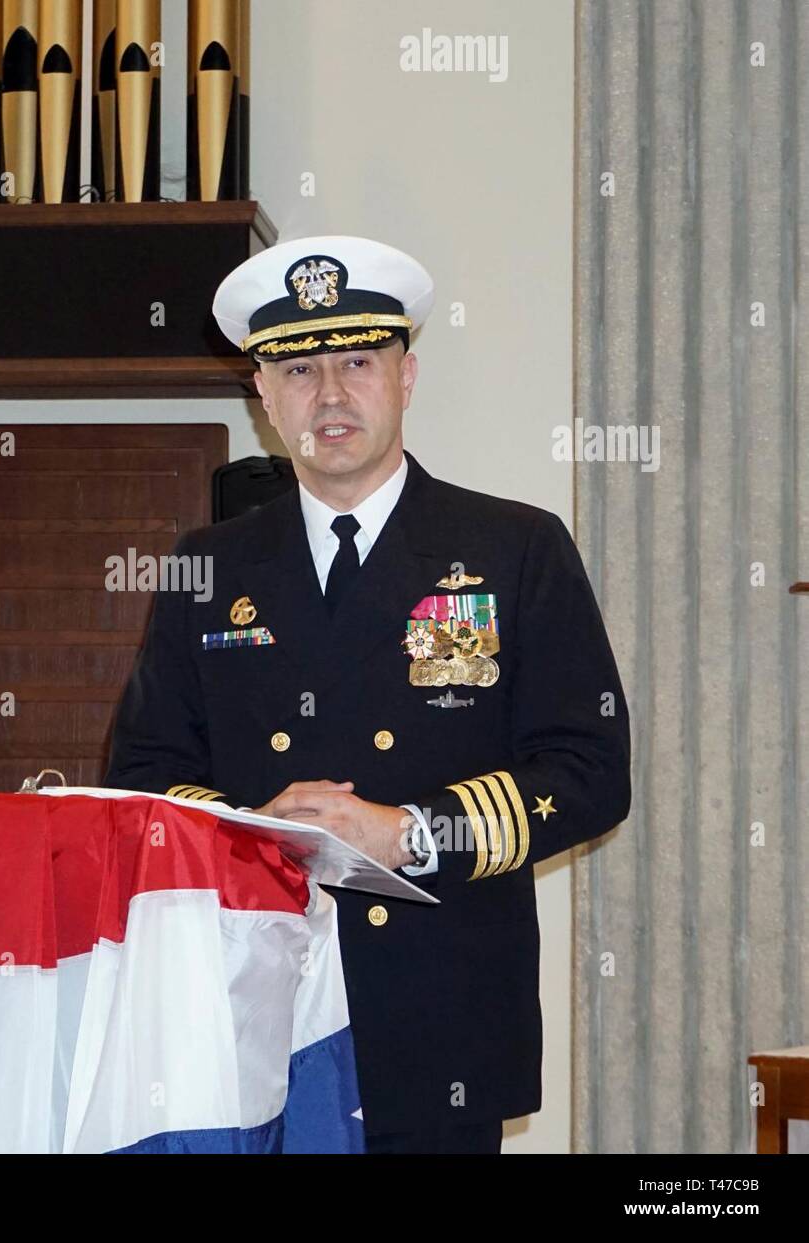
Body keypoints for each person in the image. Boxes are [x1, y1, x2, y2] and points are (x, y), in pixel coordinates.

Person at [105, 235, 632, 1154]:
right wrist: (256, 837)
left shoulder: (514, 547)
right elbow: (143, 776)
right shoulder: (205, 564)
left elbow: (589, 769)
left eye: (358, 361)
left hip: (437, 1010)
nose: (332, 394)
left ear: (407, 374)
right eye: (299, 370)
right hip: (256, 1003)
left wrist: (410, 832)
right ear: (263, 397)